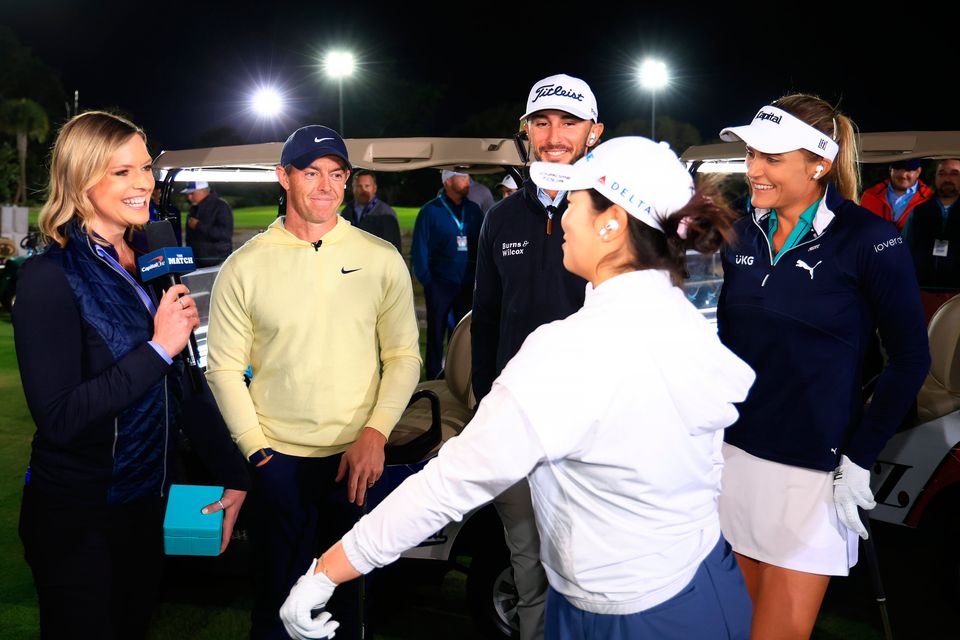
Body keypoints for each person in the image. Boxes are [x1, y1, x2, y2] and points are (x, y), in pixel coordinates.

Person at [278, 136, 756, 640]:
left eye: (573, 202)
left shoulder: (571, 351)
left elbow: (450, 485)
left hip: (637, 616)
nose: (563, 219)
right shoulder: (677, 316)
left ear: (612, 224)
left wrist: (325, 572)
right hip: (702, 583)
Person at [13, 111, 247, 640]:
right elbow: (60, 417)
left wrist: (232, 469)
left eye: (144, 167)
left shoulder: (149, 257)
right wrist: (158, 348)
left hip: (146, 504)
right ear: (80, 179)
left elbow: (182, 382)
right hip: (78, 517)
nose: (143, 183)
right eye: (122, 172)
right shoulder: (49, 276)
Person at [716, 95, 931, 639]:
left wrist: (861, 455)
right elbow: (730, 345)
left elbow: (910, 359)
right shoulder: (740, 235)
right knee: (734, 629)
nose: (753, 170)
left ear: (818, 163)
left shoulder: (870, 240)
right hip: (734, 461)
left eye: (771, 158)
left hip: (815, 474)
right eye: (750, 155)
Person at [205, 124, 420, 640]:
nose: (326, 185)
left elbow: (404, 357)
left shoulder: (380, 258)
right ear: (284, 177)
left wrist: (376, 433)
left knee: (343, 608)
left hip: (355, 462)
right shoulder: (246, 265)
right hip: (277, 463)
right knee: (276, 606)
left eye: (337, 174)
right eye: (312, 172)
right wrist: (259, 455)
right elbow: (225, 369)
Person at [470, 72, 604, 640]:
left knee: (590, 567)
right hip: (516, 424)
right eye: (542, 122)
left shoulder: (615, 213)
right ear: (525, 132)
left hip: (593, 428)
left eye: (569, 122)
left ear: (592, 133)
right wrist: (484, 406)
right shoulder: (500, 218)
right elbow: (486, 320)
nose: (555, 135)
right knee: (527, 563)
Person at [411, 169, 484, 378]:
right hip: (440, 283)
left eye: (468, 176)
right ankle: (434, 375)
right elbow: (420, 248)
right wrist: (428, 281)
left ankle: (459, 375)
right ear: (448, 181)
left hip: (467, 283)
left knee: (462, 334)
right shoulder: (430, 211)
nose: (468, 180)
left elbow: (482, 245)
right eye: (462, 177)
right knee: (436, 332)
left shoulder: (473, 210)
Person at [905, 158, 960, 320]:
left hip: (957, 295)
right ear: (935, 177)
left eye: (954, 174)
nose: (947, 179)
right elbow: (904, 251)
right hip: (921, 294)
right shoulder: (918, 212)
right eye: (942, 173)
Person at [859, 158, 933, 232]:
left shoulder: (930, 198)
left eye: (909, 169)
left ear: (918, 171)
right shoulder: (870, 196)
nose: (903, 175)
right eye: (898, 168)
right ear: (890, 170)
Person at [341, 170, 402, 253]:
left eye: (367, 186)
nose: (363, 190)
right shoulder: (346, 212)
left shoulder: (386, 213)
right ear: (353, 188)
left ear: (374, 188)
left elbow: (393, 246)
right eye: (359, 186)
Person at [182, 180, 233, 266]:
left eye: (192, 193)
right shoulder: (194, 208)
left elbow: (225, 234)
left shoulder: (221, 206)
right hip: (198, 261)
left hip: (217, 261)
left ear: (203, 191)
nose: (189, 197)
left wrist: (198, 225)